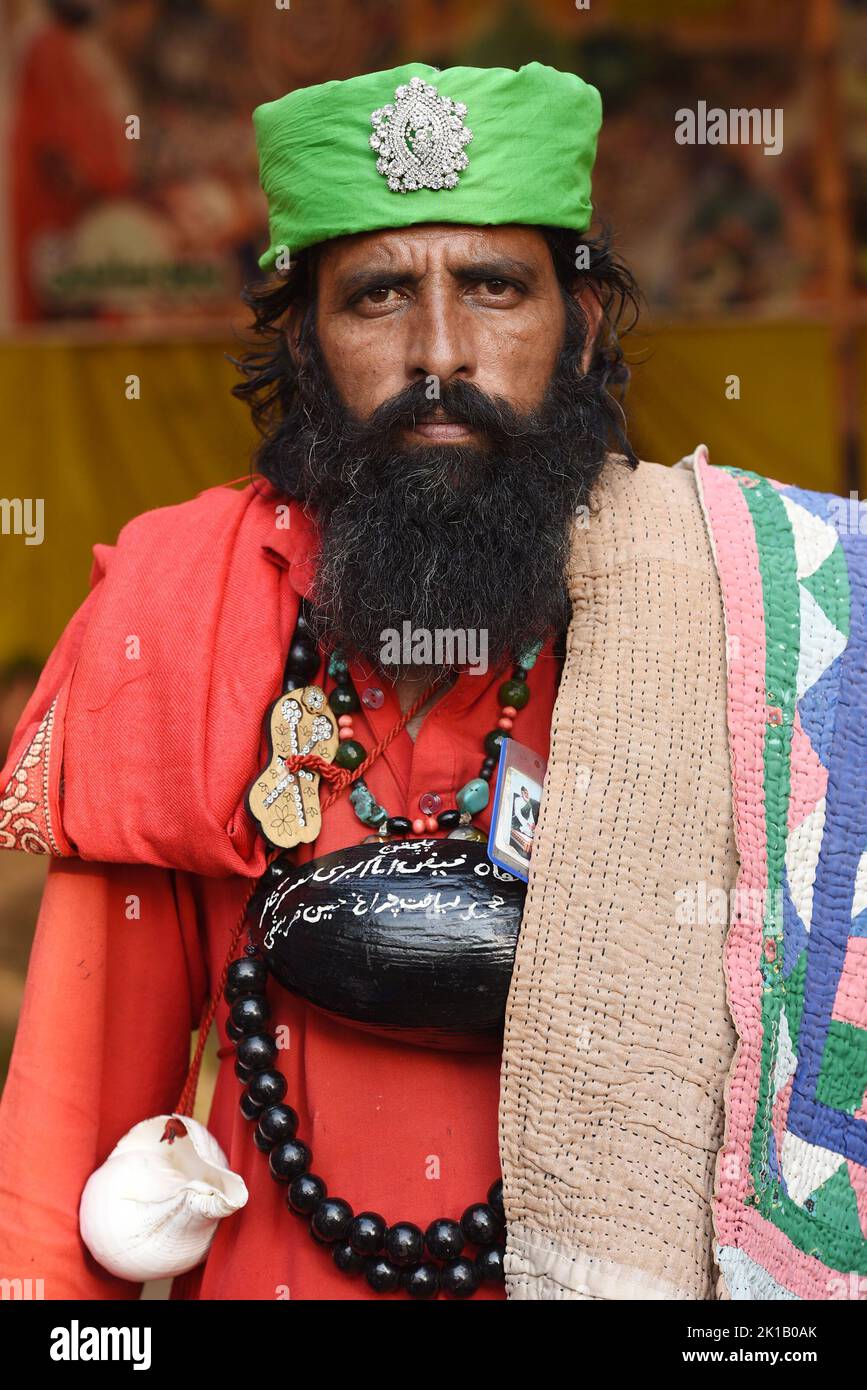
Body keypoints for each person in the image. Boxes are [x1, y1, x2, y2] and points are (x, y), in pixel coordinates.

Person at [1, 62, 865, 1303]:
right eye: (378, 296)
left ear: (580, 322)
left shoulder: (725, 616)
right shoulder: (180, 603)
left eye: (496, 287)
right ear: (304, 335)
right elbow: (58, 1166)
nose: (441, 354)